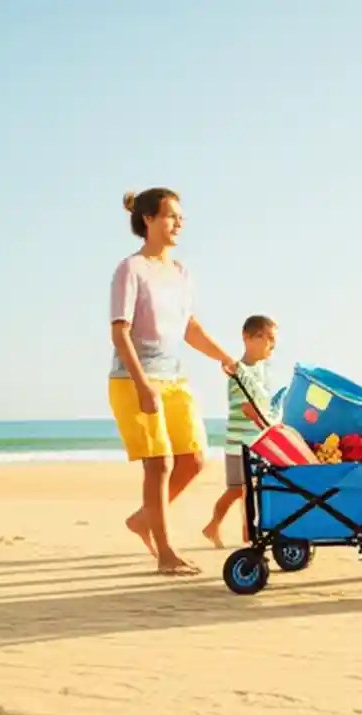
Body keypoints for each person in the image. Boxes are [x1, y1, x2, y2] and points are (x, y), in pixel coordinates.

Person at [109, 187, 239, 576]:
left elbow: (190, 328)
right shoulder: (130, 269)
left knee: (194, 459)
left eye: (180, 217)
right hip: (133, 379)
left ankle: (143, 521)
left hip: (173, 379)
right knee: (159, 464)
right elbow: (120, 332)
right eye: (170, 216)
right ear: (148, 219)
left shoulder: (181, 273)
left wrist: (226, 357)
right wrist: (142, 385)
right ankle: (166, 553)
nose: (178, 222)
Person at [202, 314, 279, 548]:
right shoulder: (238, 371)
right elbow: (248, 406)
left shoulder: (263, 370)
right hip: (239, 443)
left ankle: (249, 533)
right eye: (268, 339)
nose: (272, 345)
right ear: (249, 338)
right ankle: (213, 525)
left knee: (253, 491)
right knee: (237, 490)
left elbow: (265, 403)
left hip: (257, 442)